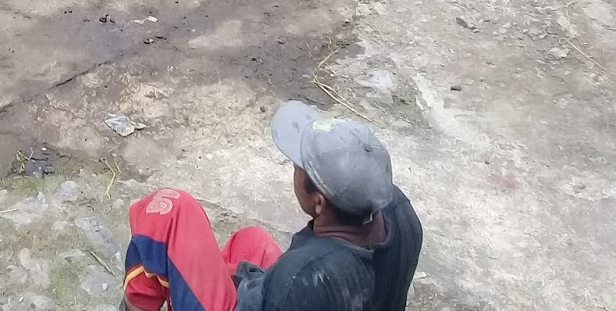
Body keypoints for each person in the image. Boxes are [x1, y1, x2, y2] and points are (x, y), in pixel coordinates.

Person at [122, 102, 422, 311]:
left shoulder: (298, 279)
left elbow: (292, 286)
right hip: (334, 295)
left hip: (298, 295)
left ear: (319, 202)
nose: (294, 168)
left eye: (298, 167)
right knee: (250, 242)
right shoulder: (399, 212)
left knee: (171, 213)